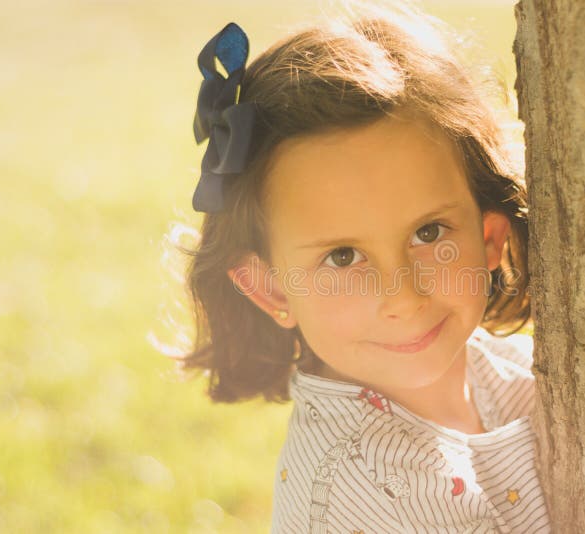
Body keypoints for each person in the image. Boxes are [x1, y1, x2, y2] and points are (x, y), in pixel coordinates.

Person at [176, 3, 550, 532]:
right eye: (343, 256)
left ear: (489, 238)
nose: (402, 296)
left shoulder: (514, 369)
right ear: (272, 290)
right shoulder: (376, 490)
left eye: (428, 233)